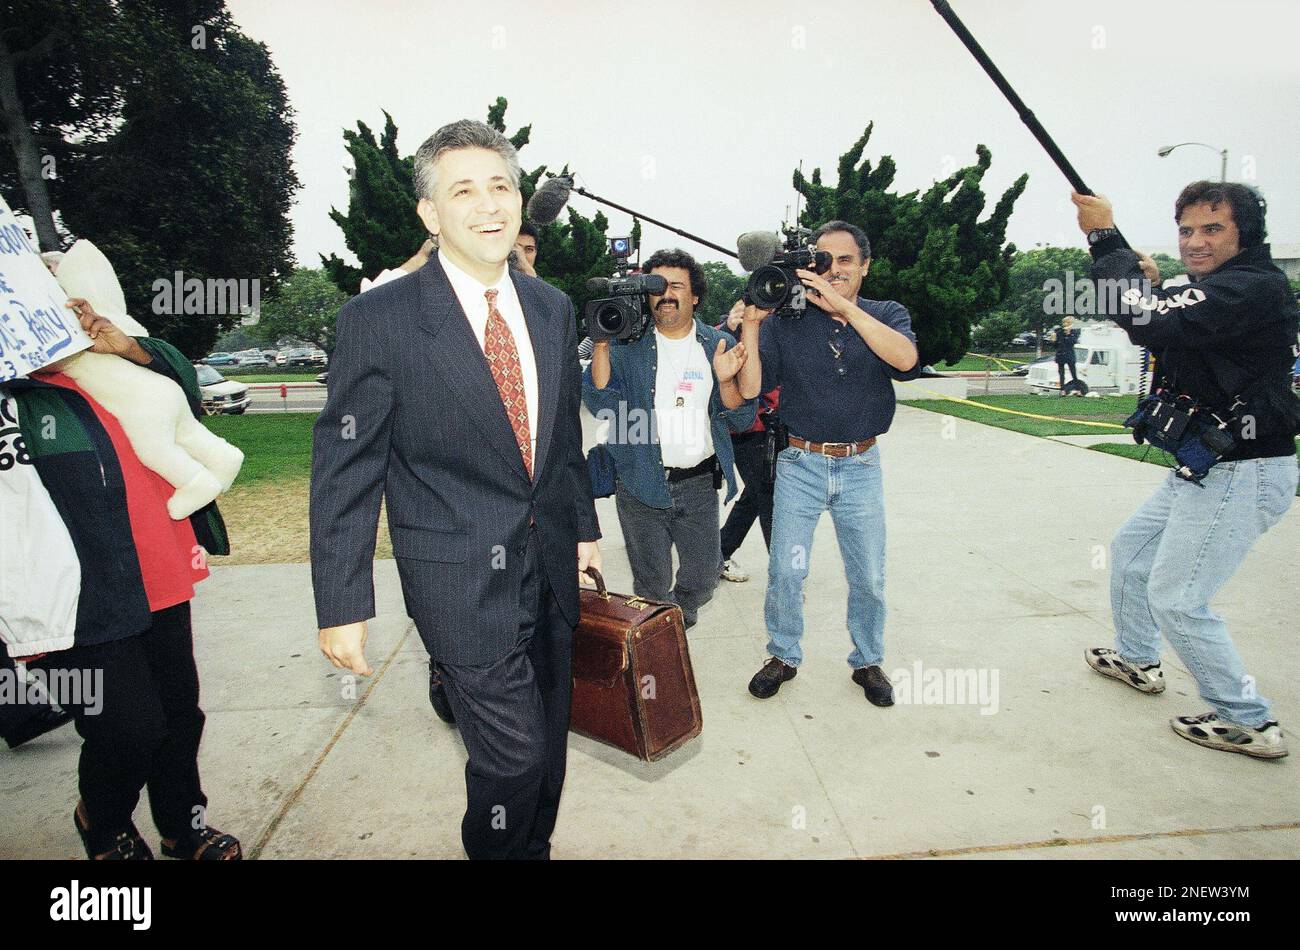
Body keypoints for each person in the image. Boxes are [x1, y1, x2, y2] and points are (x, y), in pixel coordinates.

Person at [311, 119, 601, 859]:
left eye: (501, 185)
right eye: (463, 190)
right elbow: (346, 467)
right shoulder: (379, 319)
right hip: (458, 583)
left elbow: (560, 442)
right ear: (431, 215)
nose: (488, 204)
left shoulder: (550, 307)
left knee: (550, 756)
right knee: (513, 758)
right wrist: (343, 605)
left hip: (552, 570)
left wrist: (586, 530)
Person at [2, 300, 240, 860]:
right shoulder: (21, 397)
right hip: (74, 591)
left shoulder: (106, 365)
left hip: (160, 567)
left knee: (180, 716)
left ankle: (185, 827)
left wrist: (127, 347)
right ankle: (103, 821)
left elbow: (184, 384)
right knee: (128, 727)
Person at [1074, 181, 1298, 759]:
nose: (1194, 242)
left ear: (1245, 234)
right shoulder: (1214, 288)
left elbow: (1149, 323)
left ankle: (1246, 719)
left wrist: (1103, 236)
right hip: (1203, 466)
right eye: (1186, 230)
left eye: (1212, 229)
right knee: (1131, 552)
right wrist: (1138, 274)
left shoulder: (1252, 288)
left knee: (1178, 598)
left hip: (1242, 471)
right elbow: (1151, 314)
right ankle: (1137, 656)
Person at [736, 220, 921, 703]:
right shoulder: (787, 319)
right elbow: (753, 389)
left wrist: (842, 307)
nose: (832, 269)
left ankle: (868, 661)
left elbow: (905, 360)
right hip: (801, 462)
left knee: (868, 575)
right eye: (823, 259)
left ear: (864, 266)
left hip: (861, 465)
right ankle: (782, 654)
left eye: (844, 261)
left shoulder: (886, 313)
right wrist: (753, 328)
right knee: (786, 570)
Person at [582, 249, 755, 629]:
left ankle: (671, 621)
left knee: (705, 578)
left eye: (677, 285)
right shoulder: (627, 347)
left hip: (697, 485)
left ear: (695, 296)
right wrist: (601, 342)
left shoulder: (718, 344)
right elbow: (599, 402)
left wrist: (726, 379)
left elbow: (742, 416)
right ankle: (658, 645)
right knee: (651, 585)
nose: (667, 294)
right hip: (640, 483)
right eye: (657, 287)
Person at [718, 299, 779, 583]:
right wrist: (731, 327)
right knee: (766, 496)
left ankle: (718, 554)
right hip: (745, 429)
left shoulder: (780, 322)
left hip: (775, 427)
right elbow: (714, 351)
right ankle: (782, 575)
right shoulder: (741, 319)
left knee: (756, 495)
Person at [1055, 314, 1081, 392]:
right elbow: (1056, 345)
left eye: (1066, 323)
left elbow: (1072, 342)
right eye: (1063, 323)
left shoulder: (1075, 332)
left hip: (1070, 355)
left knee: (1073, 373)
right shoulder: (1059, 332)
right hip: (1061, 355)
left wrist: (1068, 334)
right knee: (1061, 374)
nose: (1064, 324)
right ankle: (1062, 390)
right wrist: (1053, 341)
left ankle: (1078, 390)